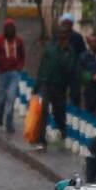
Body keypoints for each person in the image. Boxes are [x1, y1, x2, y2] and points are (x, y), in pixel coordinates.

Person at [36, 18, 78, 146]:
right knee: (44, 111)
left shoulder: (70, 52)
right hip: (47, 85)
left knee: (58, 112)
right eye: (60, 34)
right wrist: (37, 85)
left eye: (64, 35)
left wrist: (73, 92)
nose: (62, 37)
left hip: (60, 87)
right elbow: (42, 67)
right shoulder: (50, 50)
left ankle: (63, 131)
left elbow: (71, 71)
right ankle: (41, 138)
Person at [0, 18, 25, 132]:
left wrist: (19, 67)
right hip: (2, 74)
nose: (10, 30)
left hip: (14, 73)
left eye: (12, 28)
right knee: (1, 99)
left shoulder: (19, 41)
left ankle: (9, 124)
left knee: (11, 97)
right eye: (7, 28)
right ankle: (0, 117)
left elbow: (22, 56)